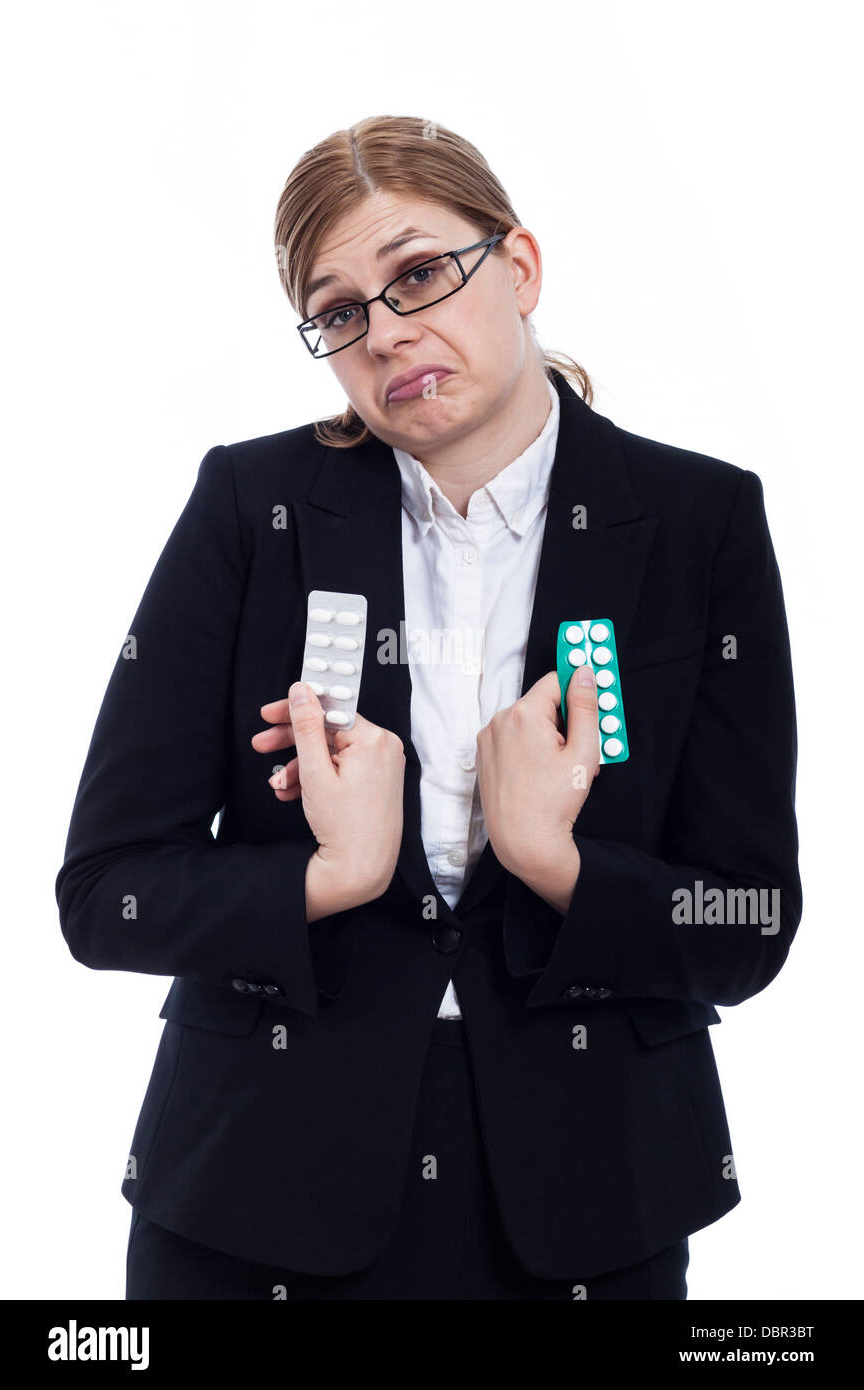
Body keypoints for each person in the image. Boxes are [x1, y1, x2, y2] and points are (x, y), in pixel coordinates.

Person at [55, 114, 802, 1301]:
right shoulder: (253, 507)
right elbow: (102, 895)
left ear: (517, 267)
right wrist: (328, 875)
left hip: (586, 1197)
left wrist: (554, 860)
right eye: (340, 310)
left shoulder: (698, 521)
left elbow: (745, 921)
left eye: (416, 273)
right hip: (257, 1191)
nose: (387, 332)